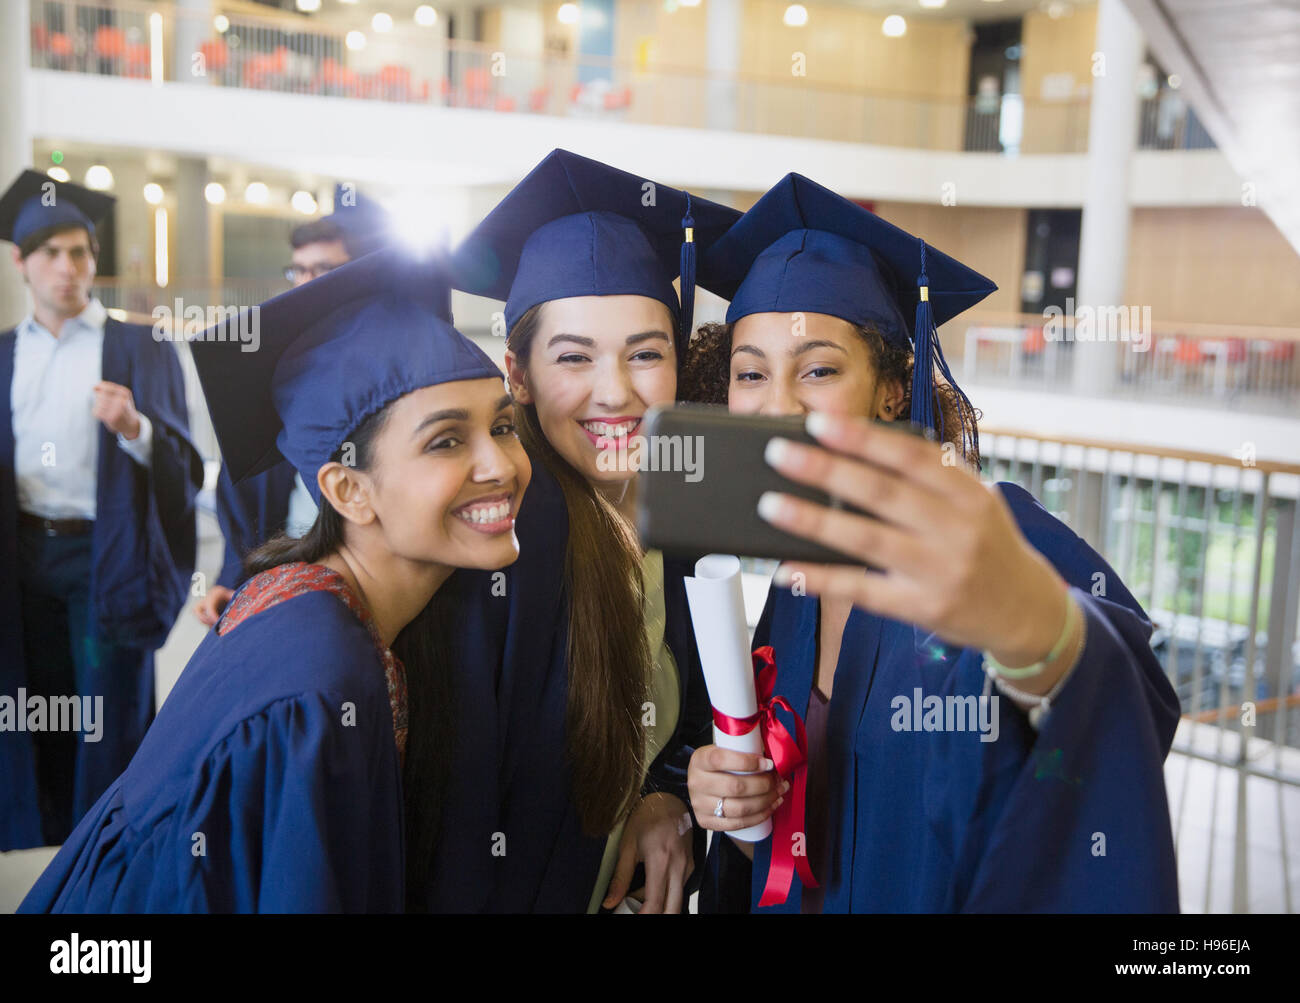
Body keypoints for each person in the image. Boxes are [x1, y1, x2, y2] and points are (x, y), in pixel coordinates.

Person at [681, 173, 1181, 912]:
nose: (777, 403)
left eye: (818, 368)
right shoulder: (792, 584)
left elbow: (1130, 690)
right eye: (750, 373)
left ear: (892, 387)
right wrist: (723, 789)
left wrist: (1040, 641)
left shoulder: (983, 531)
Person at [19, 247, 529, 912]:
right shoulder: (320, 690)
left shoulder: (298, 591)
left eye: (503, 425)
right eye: (446, 441)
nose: (501, 464)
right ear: (348, 489)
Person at [443, 149, 738, 912]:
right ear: (518, 373)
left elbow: (691, 724)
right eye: (574, 358)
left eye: (646, 354)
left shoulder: (687, 514)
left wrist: (664, 796)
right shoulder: (496, 546)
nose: (617, 393)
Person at [0, 169, 202, 851]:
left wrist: (135, 428)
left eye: (79, 253)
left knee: (104, 714)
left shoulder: (139, 348)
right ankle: (39, 847)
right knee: (33, 704)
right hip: (23, 555)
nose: (67, 268)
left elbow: (188, 467)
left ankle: (109, 849)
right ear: (20, 261)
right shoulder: (3, 356)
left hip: (105, 556)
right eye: (50, 253)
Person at [195, 184, 391, 626]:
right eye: (298, 271)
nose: (306, 285)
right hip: (289, 584)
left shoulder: (396, 372)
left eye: (324, 269)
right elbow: (241, 491)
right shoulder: (272, 373)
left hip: (380, 584)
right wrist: (233, 576)